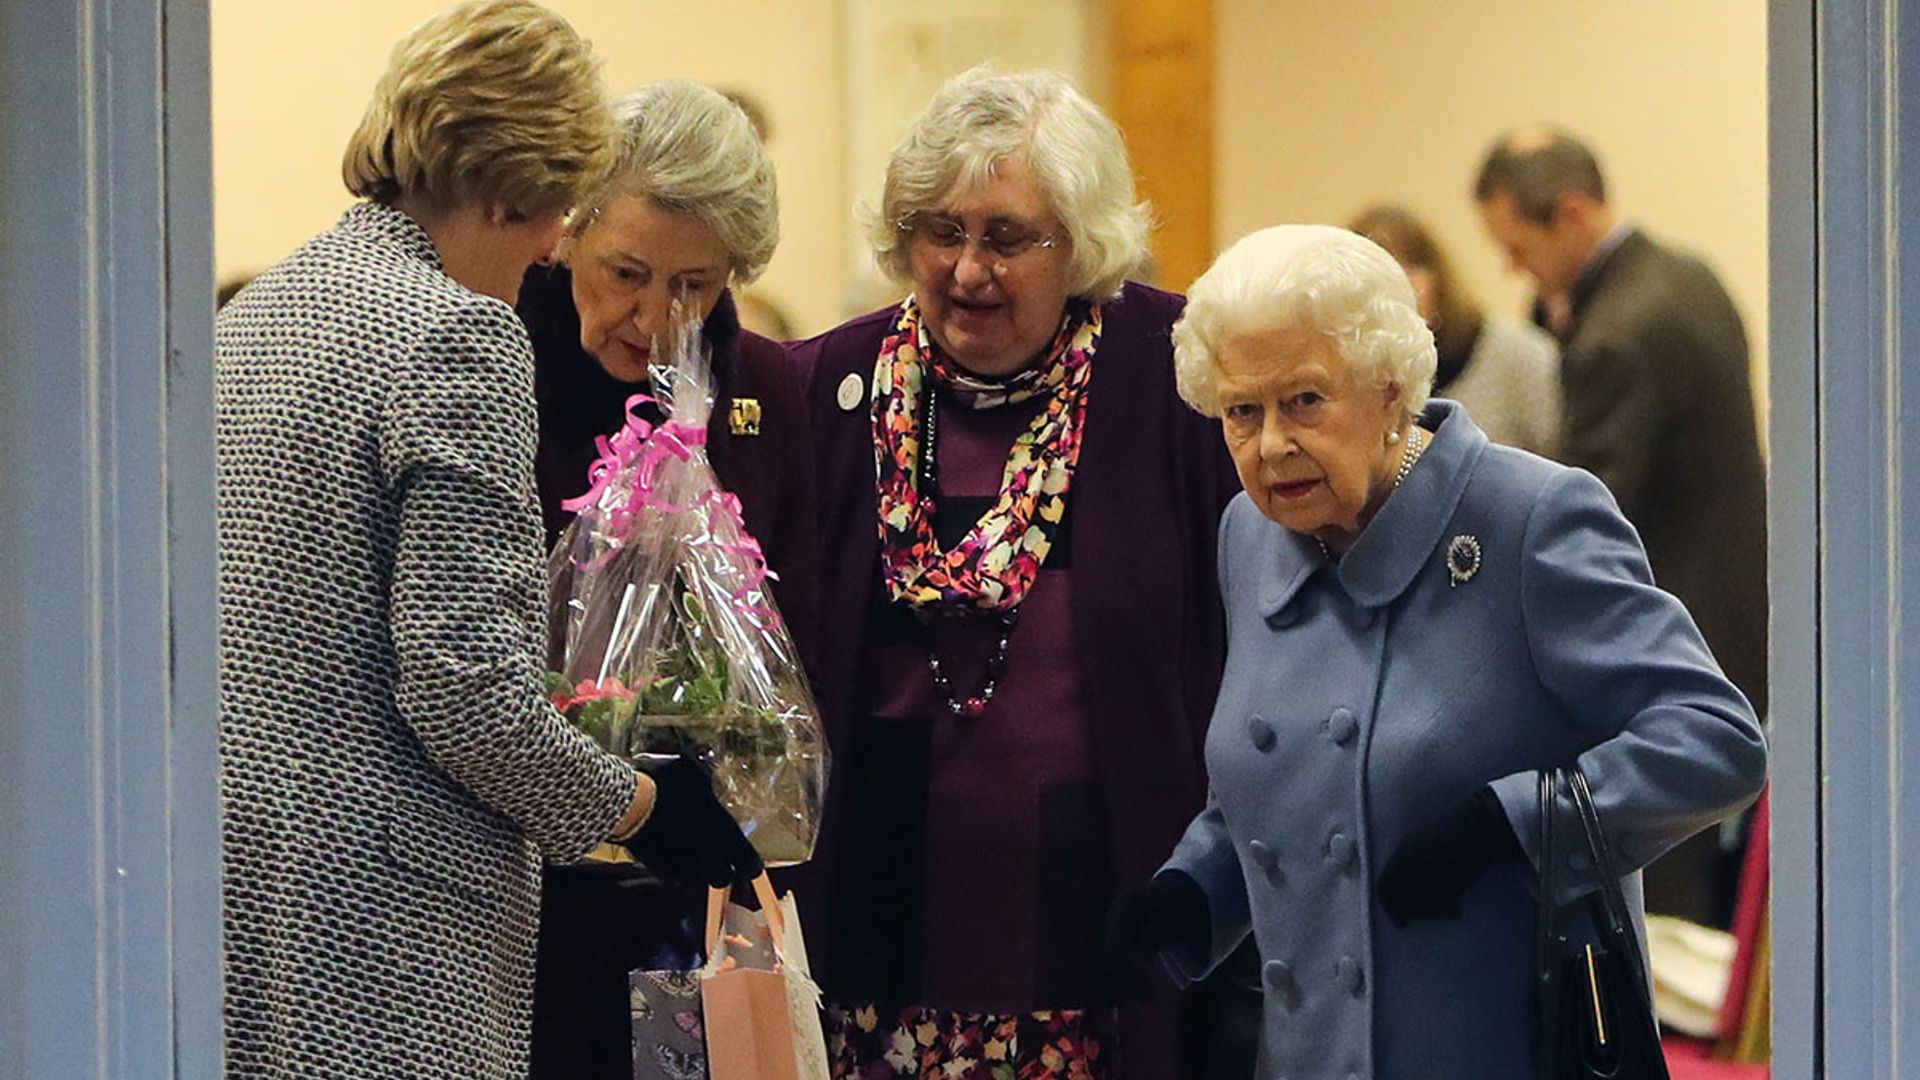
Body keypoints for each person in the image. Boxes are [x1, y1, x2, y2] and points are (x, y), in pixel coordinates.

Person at [214, 8, 760, 1078]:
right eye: (558, 213)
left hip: (247, 896)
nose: (555, 247)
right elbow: (469, 693)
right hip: (391, 931)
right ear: (516, 194)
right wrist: (646, 808)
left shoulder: (263, 307)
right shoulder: (459, 336)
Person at [1105, 224, 1767, 1079]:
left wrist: (1514, 824)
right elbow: (1285, 785)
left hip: (1499, 1048)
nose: (1271, 445)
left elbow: (1716, 737)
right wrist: (1192, 889)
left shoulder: (1532, 519)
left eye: (1305, 401)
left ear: (1390, 390)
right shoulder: (1251, 537)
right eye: (1243, 410)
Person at [787, 67, 1245, 1078]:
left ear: (1079, 245)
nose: (966, 269)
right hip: (870, 925)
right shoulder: (825, 386)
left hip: (1103, 925)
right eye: (938, 231)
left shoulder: (1176, 379)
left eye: (1006, 237)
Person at [515, 78, 817, 1078]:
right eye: (627, 272)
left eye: (694, 284)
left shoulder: (769, 394)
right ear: (569, 234)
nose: (654, 316)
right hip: (525, 904)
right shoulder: (497, 369)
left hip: (711, 899)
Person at [1473, 128, 1768, 924]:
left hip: (1670, 629)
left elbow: (1587, 519)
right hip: (1739, 608)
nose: (1511, 268)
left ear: (1571, 213)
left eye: (1518, 245)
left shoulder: (1614, 336)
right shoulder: (1689, 278)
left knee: (1664, 918)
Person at [1347, 202, 1560, 457]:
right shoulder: (1347, 380)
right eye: (1375, 283)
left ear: (1437, 276)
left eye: (1408, 271)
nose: (1394, 293)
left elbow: (1567, 460)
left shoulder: (1520, 354)